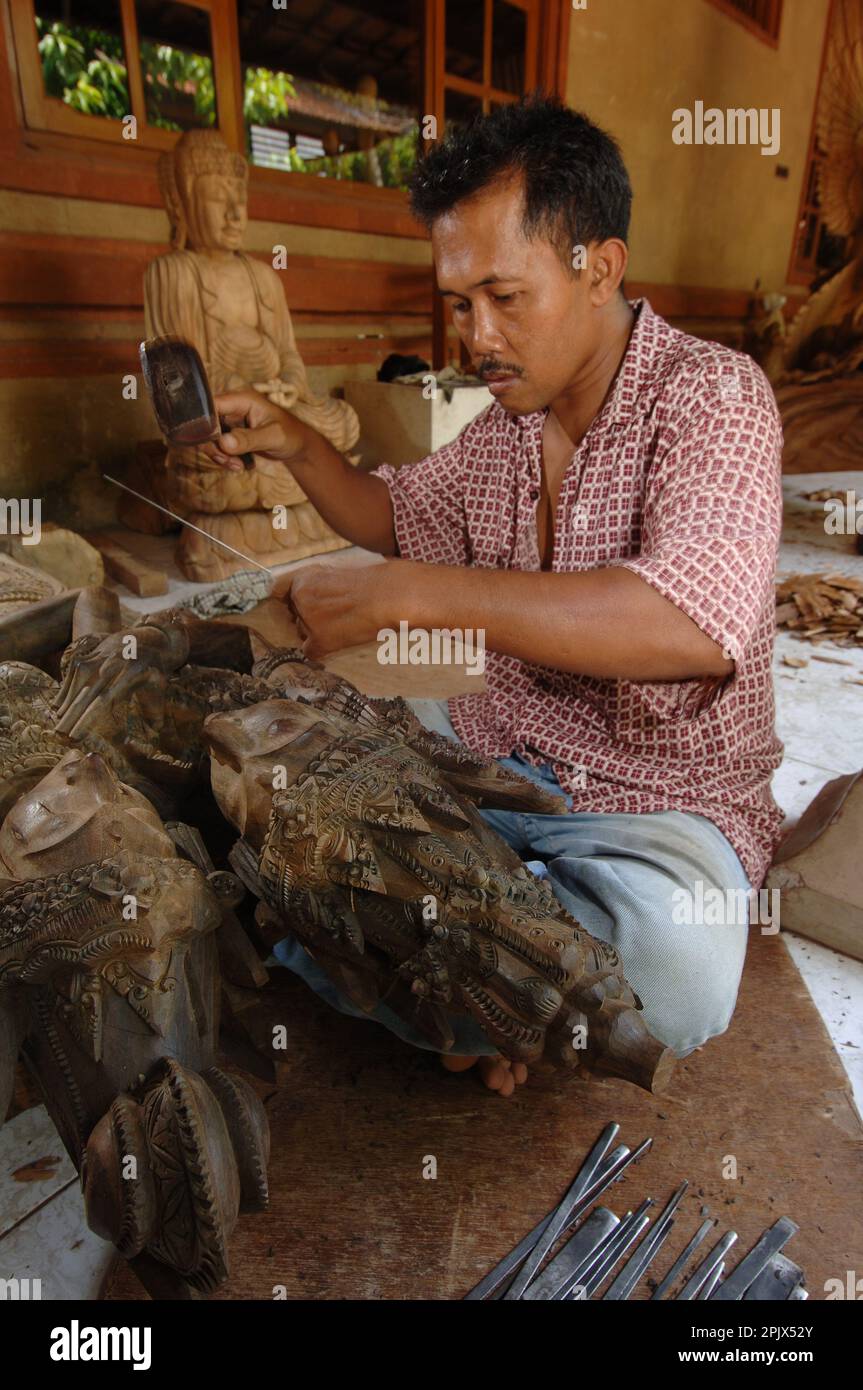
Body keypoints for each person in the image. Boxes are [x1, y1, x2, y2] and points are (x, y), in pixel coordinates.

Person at [205, 95, 785, 1098]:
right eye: (458, 300)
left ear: (596, 268)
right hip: (493, 751)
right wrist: (296, 441)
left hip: (657, 800)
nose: (474, 334)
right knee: (269, 759)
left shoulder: (713, 398)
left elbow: (689, 620)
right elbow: (397, 520)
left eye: (502, 297)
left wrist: (420, 600)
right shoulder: (507, 422)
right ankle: (502, 982)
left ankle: (437, 959)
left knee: (678, 977)